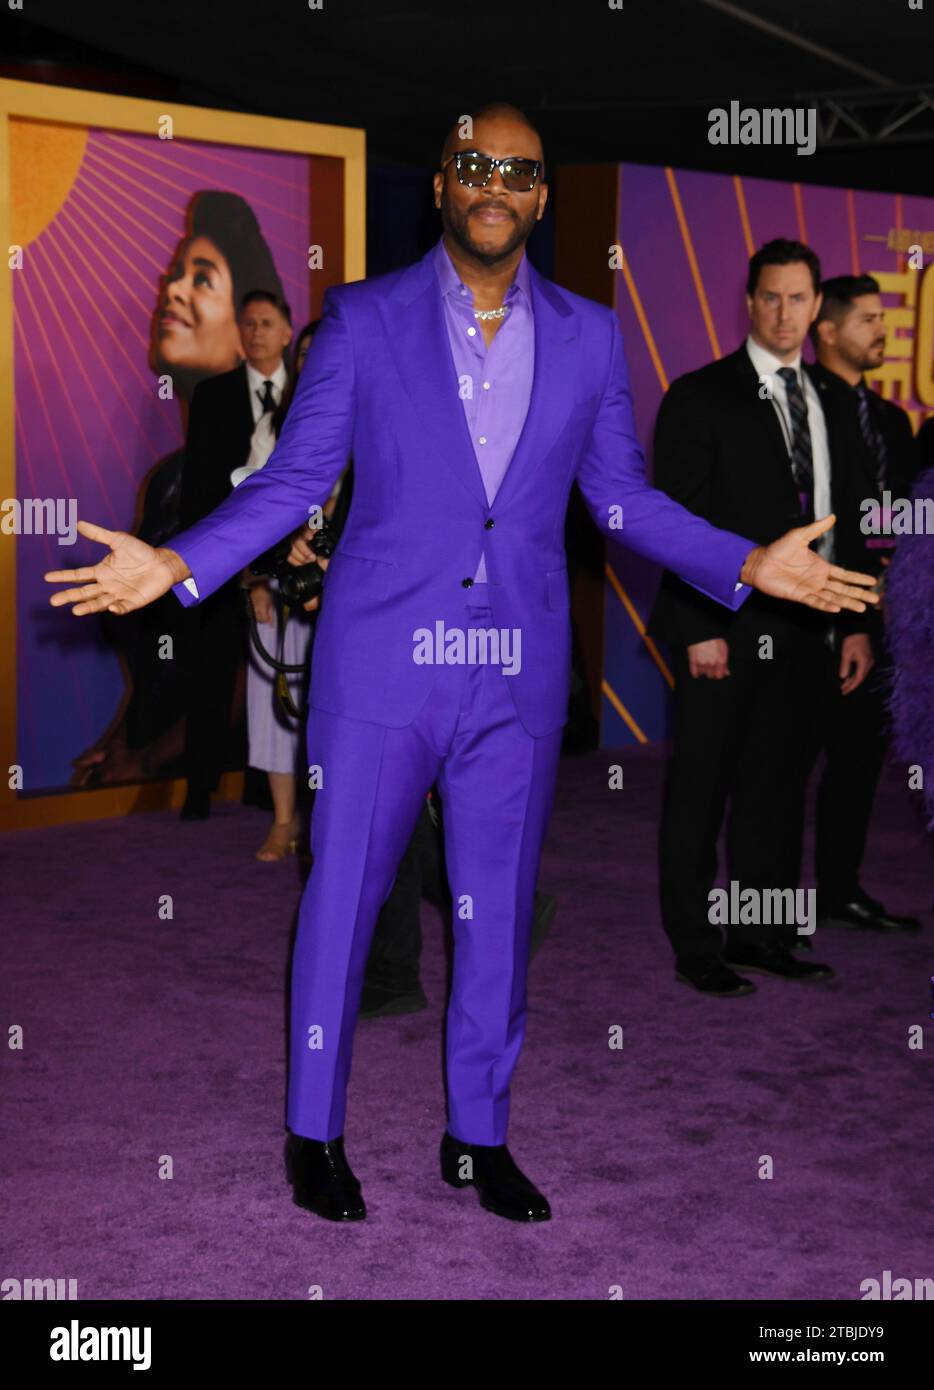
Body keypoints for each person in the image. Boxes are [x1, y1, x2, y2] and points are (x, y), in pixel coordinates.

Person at [46, 106, 879, 1225]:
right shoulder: (360, 319)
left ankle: (478, 1137)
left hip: (518, 677)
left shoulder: (588, 335)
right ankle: (315, 1132)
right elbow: (296, 485)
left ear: (541, 198)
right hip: (379, 670)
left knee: (496, 913)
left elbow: (620, 497)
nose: (495, 184)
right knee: (341, 902)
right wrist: (175, 567)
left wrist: (751, 565)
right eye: (475, 166)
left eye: (519, 172)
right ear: (443, 183)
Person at [648, 239, 877, 998]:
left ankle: (762, 934)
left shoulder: (837, 403)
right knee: (702, 792)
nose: (785, 313)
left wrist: (855, 625)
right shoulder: (699, 395)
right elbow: (672, 523)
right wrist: (696, 626)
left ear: (817, 308)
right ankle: (695, 944)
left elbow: (846, 529)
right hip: (725, 629)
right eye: (771, 298)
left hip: (812, 637)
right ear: (749, 303)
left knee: (778, 793)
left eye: (799, 299)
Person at [73, 191, 287, 789]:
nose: (172, 291)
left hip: (219, 772)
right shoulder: (169, 479)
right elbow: (158, 657)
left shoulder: (271, 464)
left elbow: (241, 661)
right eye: (175, 275)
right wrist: (121, 743)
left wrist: (146, 760)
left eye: (202, 280)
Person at [809, 276, 921, 934]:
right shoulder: (803, 408)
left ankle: (839, 889)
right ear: (829, 331)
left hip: (884, 615)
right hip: (809, 614)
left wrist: (898, 575)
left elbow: (904, 511)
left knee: (857, 760)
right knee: (782, 765)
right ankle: (763, 906)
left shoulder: (890, 419)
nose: (884, 332)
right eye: (871, 320)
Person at [177, 288, 294, 820]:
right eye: (247, 324)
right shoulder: (213, 395)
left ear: (288, 333)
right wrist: (210, 560)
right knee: (214, 673)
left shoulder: (315, 394)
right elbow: (200, 486)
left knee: (280, 676)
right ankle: (199, 786)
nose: (255, 332)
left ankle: (262, 790)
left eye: (266, 323)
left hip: (294, 565)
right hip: (225, 562)